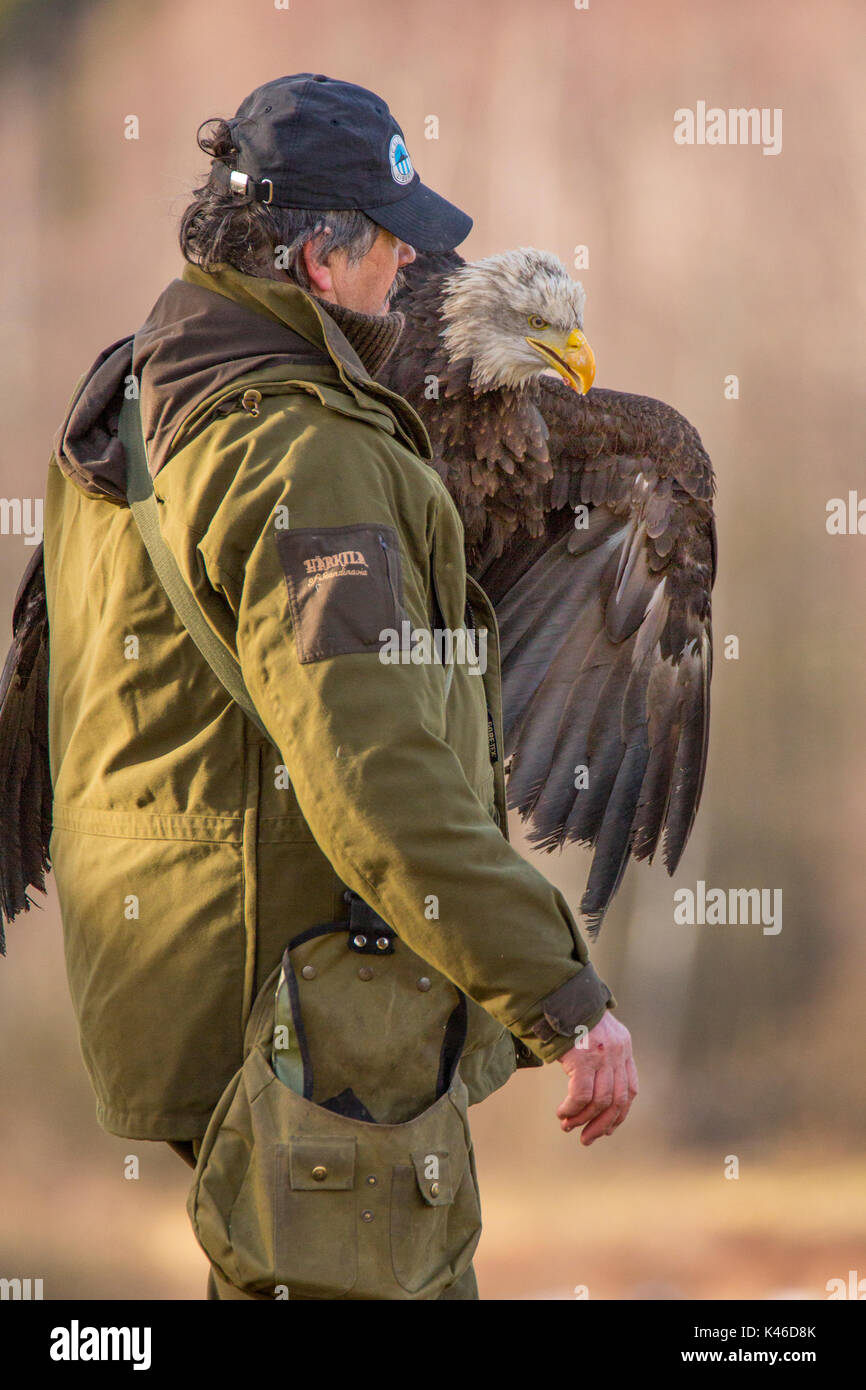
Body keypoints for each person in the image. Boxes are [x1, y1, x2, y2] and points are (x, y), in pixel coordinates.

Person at [42, 73, 637, 1301]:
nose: (405, 280)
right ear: (320, 258)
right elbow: (371, 767)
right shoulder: (303, 451)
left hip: (185, 985)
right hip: (308, 1016)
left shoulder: (135, 397)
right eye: (391, 252)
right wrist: (560, 994)